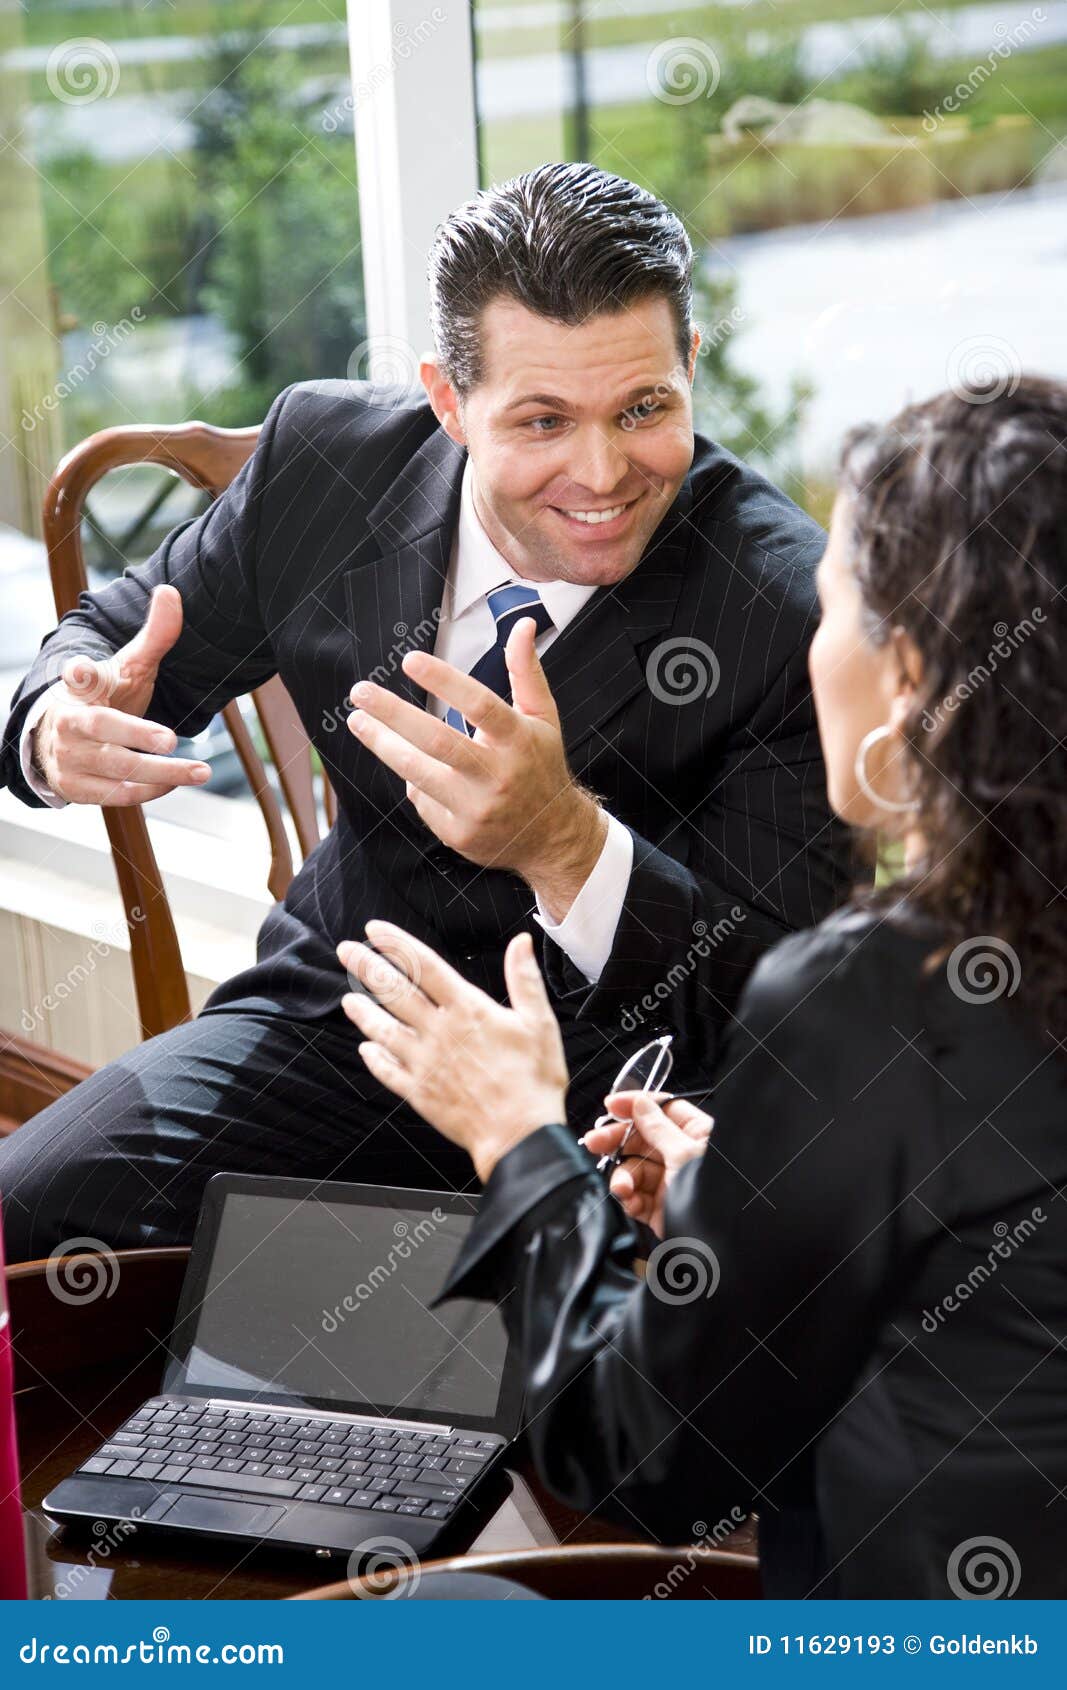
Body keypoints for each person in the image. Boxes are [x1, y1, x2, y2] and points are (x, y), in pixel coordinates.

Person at [0, 164, 850, 1262]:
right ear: (446, 399)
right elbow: (114, 632)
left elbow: (764, 1004)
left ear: (688, 367)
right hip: (338, 1017)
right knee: (27, 1219)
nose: (602, 474)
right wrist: (54, 721)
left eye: (643, 408)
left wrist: (566, 842)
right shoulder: (321, 459)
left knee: (635, 1386)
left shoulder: (787, 608)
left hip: (608, 1096)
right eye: (541, 420)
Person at [336, 377, 1067, 1599]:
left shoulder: (870, 996)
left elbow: (634, 1452)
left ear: (907, 680)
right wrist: (759, 1190)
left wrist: (517, 1134)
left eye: (832, 606)